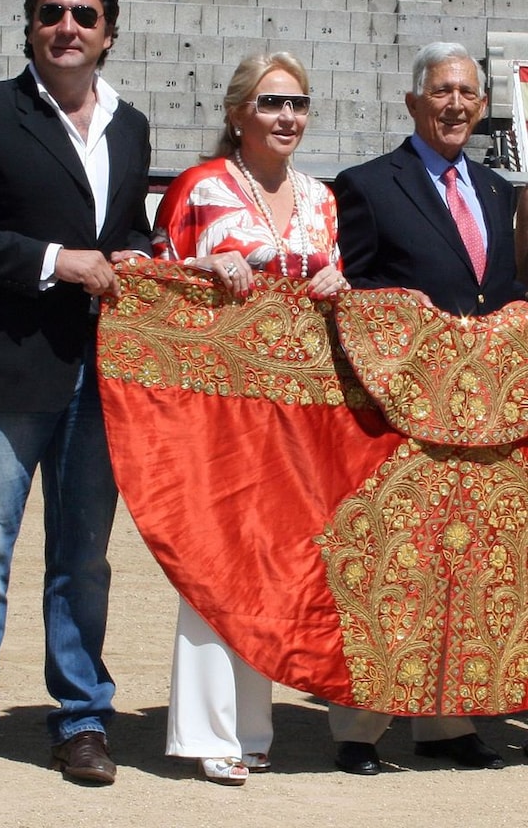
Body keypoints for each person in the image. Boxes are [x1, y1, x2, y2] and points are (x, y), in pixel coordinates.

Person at [0, 0, 152, 790]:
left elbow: (127, 234)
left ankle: (83, 717)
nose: (68, 27)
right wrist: (61, 261)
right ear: (31, 25)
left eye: (84, 16)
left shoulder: (131, 127)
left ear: (108, 34)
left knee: (83, 557)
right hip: (11, 368)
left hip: (102, 374)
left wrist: (146, 262)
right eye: (53, 12)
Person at [152, 52, 347, 785]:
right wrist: (201, 270)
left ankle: (252, 724)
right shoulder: (199, 188)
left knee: (273, 562)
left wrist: (337, 280)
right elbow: (151, 287)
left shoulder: (322, 198)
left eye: (297, 102)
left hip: (298, 413)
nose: (286, 116)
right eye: (270, 103)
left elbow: (333, 295)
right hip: (214, 406)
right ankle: (208, 731)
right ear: (238, 114)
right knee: (212, 557)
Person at [329, 41, 524, 776]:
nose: (455, 105)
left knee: (469, 569)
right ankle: (359, 730)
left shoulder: (500, 192)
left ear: (481, 106)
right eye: (441, 91)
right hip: (401, 414)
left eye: (467, 94)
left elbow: (502, 297)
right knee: (395, 570)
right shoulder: (369, 185)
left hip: (484, 421)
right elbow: (351, 295)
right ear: (413, 102)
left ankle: (447, 726)